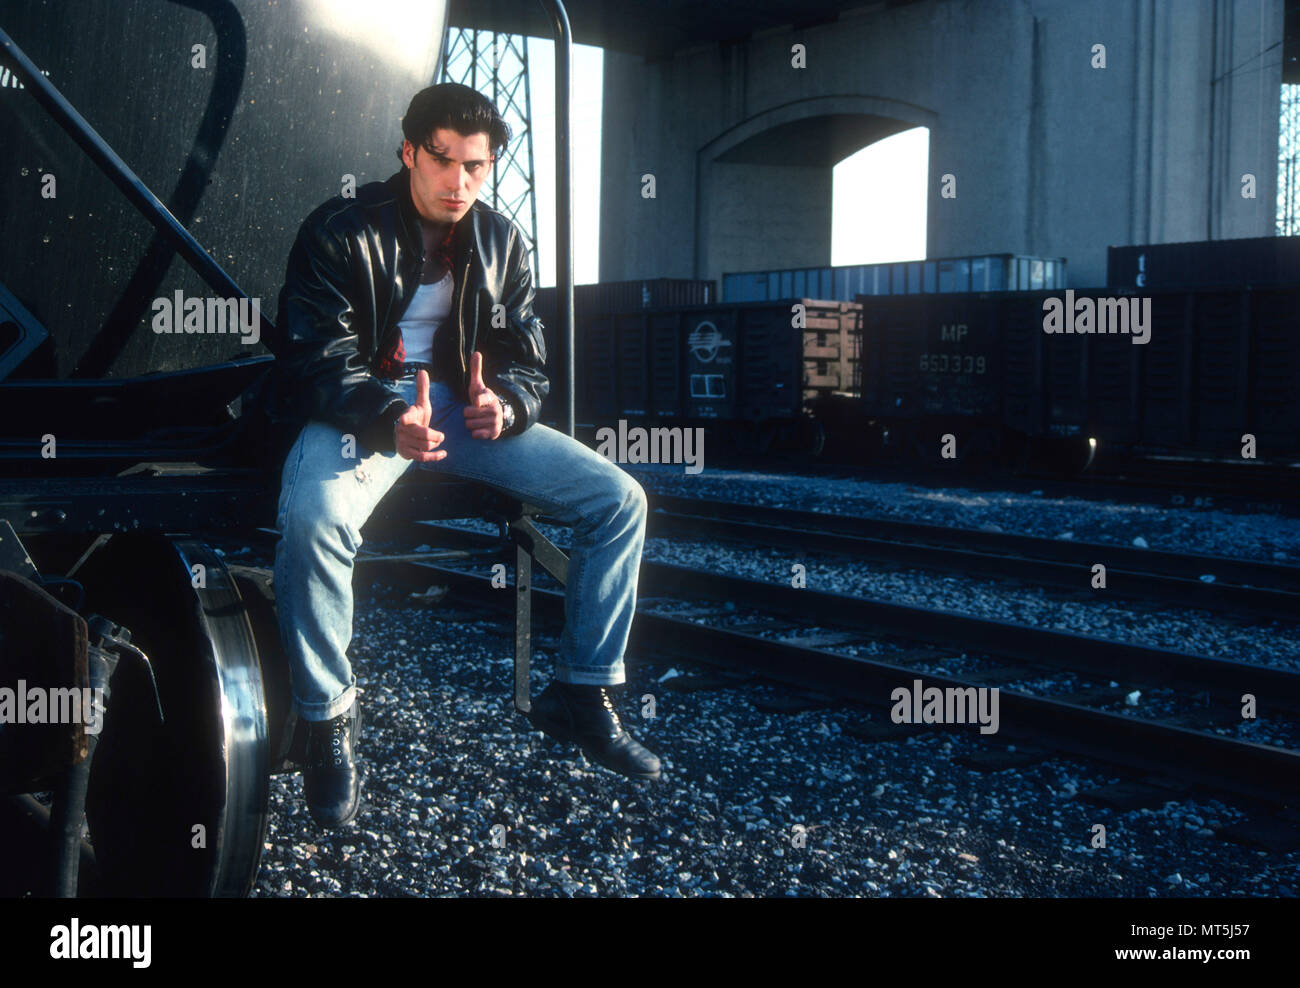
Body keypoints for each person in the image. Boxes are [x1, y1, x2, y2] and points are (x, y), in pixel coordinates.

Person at [266, 83, 661, 828]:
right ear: (409, 153)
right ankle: (327, 724)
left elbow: (527, 361)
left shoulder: (502, 241)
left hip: (459, 412)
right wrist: (389, 418)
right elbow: (316, 358)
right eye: (443, 161)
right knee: (315, 519)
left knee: (619, 501)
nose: (459, 183)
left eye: (475, 168)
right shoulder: (338, 230)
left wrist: (505, 403)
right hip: (368, 407)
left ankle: (584, 692)